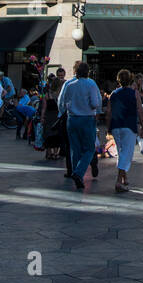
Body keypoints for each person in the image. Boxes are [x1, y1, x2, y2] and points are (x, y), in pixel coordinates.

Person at [59, 60, 102, 190]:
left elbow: (62, 102)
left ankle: (75, 171)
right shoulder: (91, 84)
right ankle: (79, 172)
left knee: (75, 148)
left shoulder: (70, 85)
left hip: (72, 119)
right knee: (89, 148)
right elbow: (95, 103)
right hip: (87, 118)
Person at [106, 70, 143, 193]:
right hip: (129, 126)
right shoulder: (134, 93)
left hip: (116, 125)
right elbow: (140, 110)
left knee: (120, 151)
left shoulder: (113, 94)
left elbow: (108, 112)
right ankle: (118, 181)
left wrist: (108, 128)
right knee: (126, 154)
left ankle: (124, 177)